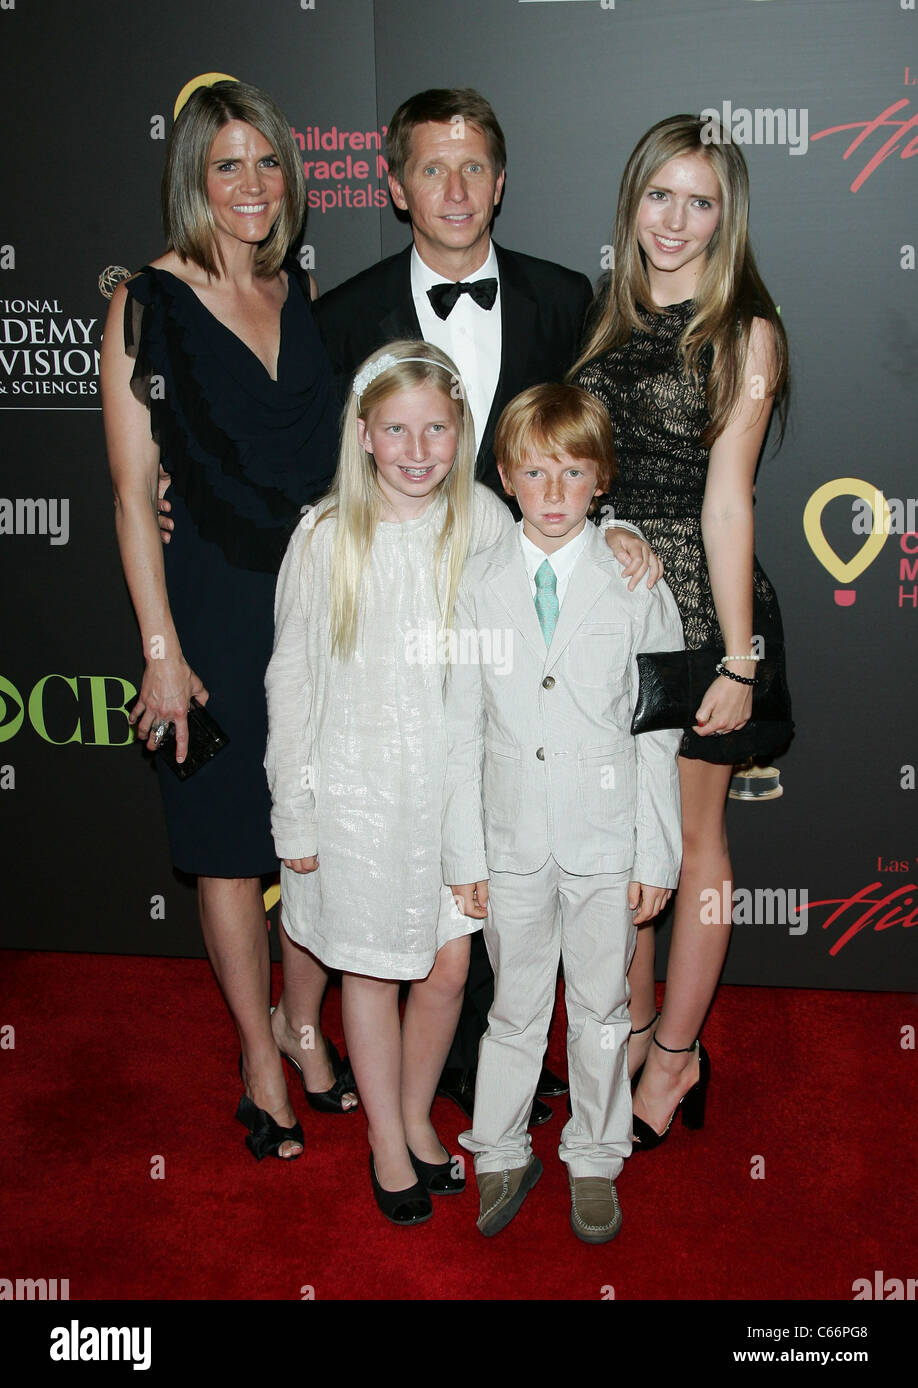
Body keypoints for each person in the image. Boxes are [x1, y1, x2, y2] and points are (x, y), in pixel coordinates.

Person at [308, 87, 662, 1122]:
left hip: (530, 614)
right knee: (431, 821)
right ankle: (433, 1060)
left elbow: (601, 440)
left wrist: (620, 524)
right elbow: (311, 466)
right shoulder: (342, 316)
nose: (455, 189)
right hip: (398, 619)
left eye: (474, 169)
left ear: (500, 183)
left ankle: (510, 1044)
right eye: (431, 167)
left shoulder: (566, 300)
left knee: (519, 813)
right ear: (393, 183)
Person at [100, 79, 353, 1164]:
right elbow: (129, 492)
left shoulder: (297, 285)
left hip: (318, 605)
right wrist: (163, 652)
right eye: (227, 165)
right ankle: (258, 1052)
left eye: (267, 164)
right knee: (224, 848)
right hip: (207, 604)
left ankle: (305, 1023)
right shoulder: (143, 302)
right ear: (192, 178)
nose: (253, 185)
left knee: (319, 839)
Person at [571, 114, 791, 1147]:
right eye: (660, 193)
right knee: (625, 849)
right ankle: (632, 1028)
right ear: (633, 199)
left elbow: (728, 504)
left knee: (696, 844)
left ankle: (676, 1058)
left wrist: (739, 659)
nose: (676, 219)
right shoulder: (597, 314)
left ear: (726, 215)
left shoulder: (745, 330)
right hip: (608, 616)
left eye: (700, 200)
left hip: (703, 615)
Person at [265, 341, 514, 1223]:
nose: (417, 449)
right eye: (397, 429)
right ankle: (382, 1137)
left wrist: (626, 540)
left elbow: (552, 570)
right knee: (368, 972)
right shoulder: (326, 535)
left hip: (453, 798)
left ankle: (413, 1116)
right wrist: (293, 818)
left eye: (436, 429)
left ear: (460, 432)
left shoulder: (482, 520)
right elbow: (289, 683)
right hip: (356, 800)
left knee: (449, 968)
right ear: (364, 435)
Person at [442, 384, 683, 1241]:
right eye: (535, 472)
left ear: (600, 479)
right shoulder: (475, 581)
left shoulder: (633, 576)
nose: (552, 492)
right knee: (512, 1003)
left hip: (607, 836)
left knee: (601, 1007)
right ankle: (499, 1147)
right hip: (507, 837)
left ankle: (594, 1154)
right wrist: (462, 852)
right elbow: (459, 725)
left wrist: (659, 854)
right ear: (505, 476)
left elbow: (657, 728)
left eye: (572, 473)